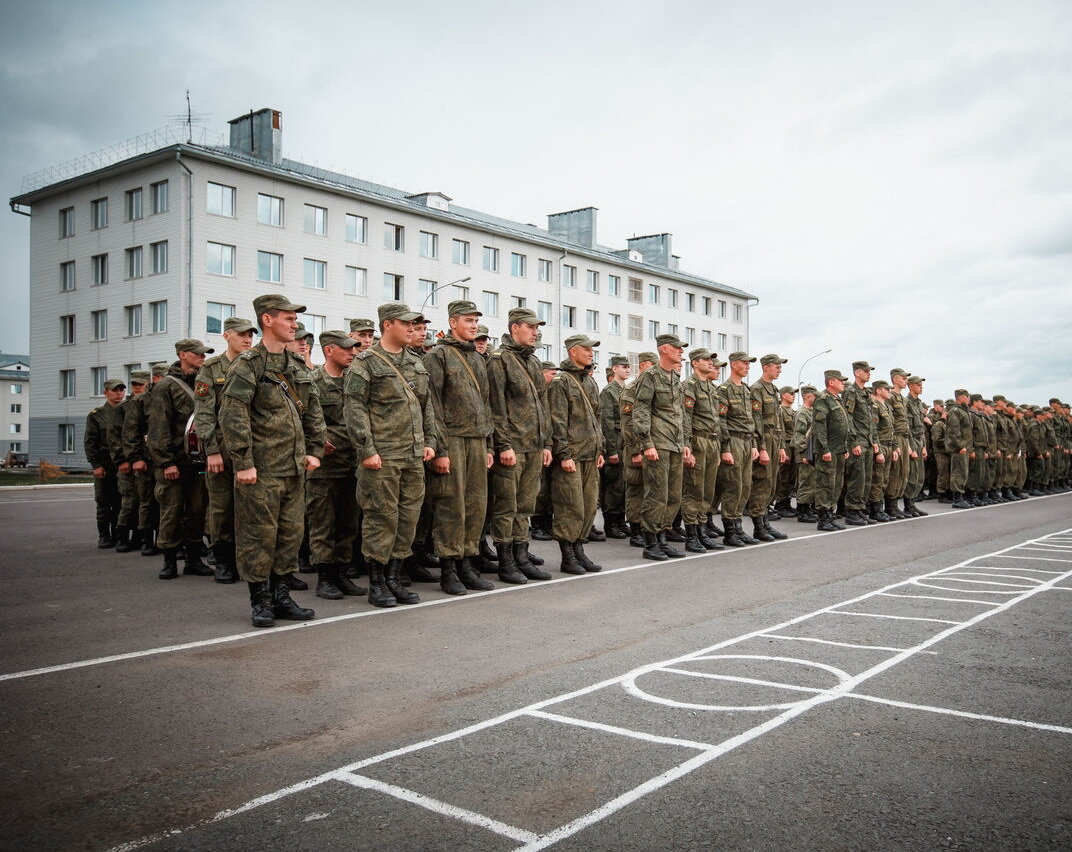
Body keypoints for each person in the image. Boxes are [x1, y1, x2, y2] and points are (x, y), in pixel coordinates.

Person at [219, 294, 325, 627]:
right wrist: (243, 462)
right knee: (258, 535)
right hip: (261, 468)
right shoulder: (249, 364)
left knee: (290, 534)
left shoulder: (295, 365)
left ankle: (281, 595)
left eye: (295, 320)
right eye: (289, 319)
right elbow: (233, 414)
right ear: (268, 320)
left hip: (294, 468)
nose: (295, 324)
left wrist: (314, 450)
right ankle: (260, 600)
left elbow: (313, 411)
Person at [344, 302, 438, 607]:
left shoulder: (415, 362)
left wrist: (431, 440)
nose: (412, 329)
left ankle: (395, 578)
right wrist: (366, 449)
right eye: (406, 324)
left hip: (412, 456)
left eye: (414, 325)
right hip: (381, 458)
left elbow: (427, 406)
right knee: (381, 519)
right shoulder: (366, 362)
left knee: (408, 519)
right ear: (388, 325)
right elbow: (354, 409)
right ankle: (377, 582)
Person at [425, 300, 507, 591]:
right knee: (451, 505)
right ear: (452, 323)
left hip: (476, 441)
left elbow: (486, 405)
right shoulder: (439, 356)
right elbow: (432, 404)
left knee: (475, 506)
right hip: (452, 440)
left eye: (475, 321)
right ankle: (449, 568)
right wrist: (441, 450)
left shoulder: (477, 358)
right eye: (468, 320)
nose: (473, 325)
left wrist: (488, 445)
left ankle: (467, 564)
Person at [487, 307, 554, 582]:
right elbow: (496, 407)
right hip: (513, 446)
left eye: (537, 327)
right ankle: (506, 562)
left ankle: (521, 556)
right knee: (506, 506)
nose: (536, 332)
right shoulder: (499, 360)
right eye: (531, 327)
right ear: (515, 327)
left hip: (534, 446)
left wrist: (547, 442)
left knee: (525, 506)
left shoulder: (533, 361)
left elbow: (543, 404)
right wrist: (503, 445)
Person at [302, 330, 366, 600]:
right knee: (323, 525)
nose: (352, 353)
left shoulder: (355, 380)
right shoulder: (312, 381)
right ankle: (325, 577)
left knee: (348, 524)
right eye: (347, 349)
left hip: (352, 466)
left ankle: (342, 572)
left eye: (354, 349)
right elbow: (299, 419)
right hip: (324, 469)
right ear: (329, 351)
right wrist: (316, 440)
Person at [193, 316, 256, 584]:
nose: (247, 339)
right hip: (222, 447)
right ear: (226, 336)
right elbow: (203, 412)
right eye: (241, 334)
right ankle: (224, 560)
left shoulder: (256, 364)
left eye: (250, 334)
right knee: (221, 506)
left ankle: (248, 560)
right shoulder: (211, 368)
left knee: (252, 506)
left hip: (252, 447)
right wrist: (212, 450)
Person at [148, 340, 214, 579]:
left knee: (197, 510)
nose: (202, 358)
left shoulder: (202, 382)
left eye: (204, 354)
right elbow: (158, 426)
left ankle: (194, 559)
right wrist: (165, 462)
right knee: (171, 510)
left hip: (196, 461)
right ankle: (169, 561)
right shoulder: (166, 385)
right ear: (183, 355)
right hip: (173, 460)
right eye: (198, 354)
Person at [548, 334, 605, 574]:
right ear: (573, 352)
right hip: (571, 454)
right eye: (586, 349)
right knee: (569, 506)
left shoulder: (590, 382)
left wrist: (600, 448)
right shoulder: (562, 382)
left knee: (588, 506)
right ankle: (567, 556)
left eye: (592, 350)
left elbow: (597, 419)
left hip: (590, 454)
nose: (591, 353)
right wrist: (564, 454)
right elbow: (557, 420)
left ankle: (580, 549)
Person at [632, 333, 691, 560]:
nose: (681, 352)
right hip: (658, 443)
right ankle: (650, 542)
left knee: (673, 496)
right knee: (656, 494)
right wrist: (646, 444)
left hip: (675, 444)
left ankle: (663, 538)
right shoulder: (650, 376)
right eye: (677, 348)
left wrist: (684, 442)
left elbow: (680, 413)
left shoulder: (674, 378)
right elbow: (641, 411)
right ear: (664, 349)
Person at [681, 349, 728, 552]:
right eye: (707, 360)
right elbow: (685, 418)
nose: (711, 363)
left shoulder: (711, 388)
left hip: (712, 443)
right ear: (694, 363)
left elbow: (717, 420)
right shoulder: (689, 386)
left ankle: (702, 531)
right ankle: (692, 535)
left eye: (712, 360)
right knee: (694, 490)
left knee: (707, 491)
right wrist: (687, 447)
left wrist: (719, 448)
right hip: (698, 442)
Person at [714, 352, 761, 547]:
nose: (748, 366)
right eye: (745, 363)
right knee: (733, 486)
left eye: (749, 364)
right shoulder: (724, 390)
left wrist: (754, 445)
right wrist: (725, 448)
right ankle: (730, 530)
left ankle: (738, 526)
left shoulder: (746, 390)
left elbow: (752, 420)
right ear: (734, 365)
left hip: (746, 441)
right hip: (732, 441)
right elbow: (721, 421)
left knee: (745, 486)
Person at [123, 363, 167, 555]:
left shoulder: (166, 397)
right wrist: (136, 458)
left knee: (167, 502)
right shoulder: (141, 401)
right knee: (147, 501)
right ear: (155, 379)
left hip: (165, 458)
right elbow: (130, 432)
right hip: (146, 460)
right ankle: (147, 540)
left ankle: (166, 540)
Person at [746, 354, 789, 542]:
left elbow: (778, 420)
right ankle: (758, 527)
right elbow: (756, 421)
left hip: (774, 441)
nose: (779, 370)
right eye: (776, 367)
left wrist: (780, 446)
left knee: (771, 484)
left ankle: (765, 523)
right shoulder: (756, 389)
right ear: (765, 367)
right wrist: (761, 447)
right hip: (764, 440)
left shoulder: (773, 389)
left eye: (780, 367)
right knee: (761, 483)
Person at [620, 352, 657, 547]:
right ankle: (635, 529)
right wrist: (635, 450)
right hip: (636, 447)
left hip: (651, 446)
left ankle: (648, 527)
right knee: (636, 489)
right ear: (643, 366)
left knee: (650, 489)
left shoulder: (652, 386)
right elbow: (628, 423)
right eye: (652, 366)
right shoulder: (632, 389)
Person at [85, 378, 125, 547]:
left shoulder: (128, 412)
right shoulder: (97, 415)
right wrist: (96, 465)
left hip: (122, 464)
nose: (119, 393)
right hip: (105, 463)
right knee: (103, 502)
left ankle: (118, 535)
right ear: (106, 392)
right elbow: (90, 442)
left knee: (120, 502)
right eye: (115, 390)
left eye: (121, 390)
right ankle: (104, 535)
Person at [111, 372, 149, 552]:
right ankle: (122, 536)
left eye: (140, 384)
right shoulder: (122, 408)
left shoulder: (149, 404)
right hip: (128, 462)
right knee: (129, 501)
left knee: (145, 501)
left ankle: (140, 537)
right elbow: (115, 437)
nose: (137, 387)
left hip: (145, 461)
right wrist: (121, 460)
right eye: (134, 384)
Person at [812, 370, 851, 531]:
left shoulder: (837, 400)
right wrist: (824, 449)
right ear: (831, 382)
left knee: (837, 484)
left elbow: (844, 426)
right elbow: (819, 426)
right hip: (828, 450)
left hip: (839, 449)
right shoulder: (823, 399)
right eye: (840, 380)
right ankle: (823, 518)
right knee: (826, 483)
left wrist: (845, 447)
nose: (843, 383)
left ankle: (830, 514)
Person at [599, 355, 631, 539]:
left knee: (623, 485)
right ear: (614, 369)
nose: (627, 370)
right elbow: (607, 423)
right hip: (615, 441)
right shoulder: (609, 392)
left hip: (625, 442)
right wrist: (611, 451)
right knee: (613, 486)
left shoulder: (626, 390)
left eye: (628, 367)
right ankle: (610, 523)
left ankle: (620, 520)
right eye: (623, 367)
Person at [842, 360, 878, 526]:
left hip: (868, 441)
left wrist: (875, 440)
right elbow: (848, 418)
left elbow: (871, 420)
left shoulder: (866, 393)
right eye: (865, 370)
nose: (868, 373)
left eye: (869, 370)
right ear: (857, 373)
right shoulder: (851, 392)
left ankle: (861, 509)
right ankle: (852, 511)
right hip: (858, 442)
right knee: (857, 478)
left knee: (867, 478)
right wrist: (854, 441)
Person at [884, 368, 911, 519]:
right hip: (896, 437)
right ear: (895, 379)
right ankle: (890, 505)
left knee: (904, 472)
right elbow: (890, 421)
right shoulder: (891, 397)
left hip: (905, 438)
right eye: (903, 378)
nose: (905, 381)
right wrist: (894, 442)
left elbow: (906, 422)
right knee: (895, 472)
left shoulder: (903, 399)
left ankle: (896, 504)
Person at [867, 380, 894, 522]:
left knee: (884, 479)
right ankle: (875, 510)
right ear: (878, 391)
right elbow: (873, 429)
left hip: (888, 445)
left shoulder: (887, 407)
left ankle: (880, 507)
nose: (889, 391)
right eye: (886, 389)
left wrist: (894, 447)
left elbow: (892, 429)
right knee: (877, 479)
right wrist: (878, 450)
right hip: (881, 446)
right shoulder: (874, 406)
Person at [791, 385, 819, 523]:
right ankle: (802, 510)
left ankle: (808, 508)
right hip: (804, 452)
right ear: (808, 396)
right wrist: (803, 453)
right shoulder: (802, 413)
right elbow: (799, 434)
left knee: (812, 481)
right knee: (805, 482)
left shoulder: (812, 412)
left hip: (811, 451)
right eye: (815, 396)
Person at [904, 376, 929, 516]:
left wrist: (924, 446)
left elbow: (921, 428)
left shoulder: (919, 403)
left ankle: (912, 503)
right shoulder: (906, 403)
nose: (921, 387)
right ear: (910, 386)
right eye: (918, 385)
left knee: (919, 476)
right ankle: (908, 505)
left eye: (921, 384)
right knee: (912, 475)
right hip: (912, 442)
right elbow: (906, 428)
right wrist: (911, 447)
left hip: (920, 442)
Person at [945, 389, 973, 508]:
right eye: (967, 396)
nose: (969, 399)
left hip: (965, 447)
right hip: (959, 448)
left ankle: (961, 497)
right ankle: (957, 499)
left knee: (963, 472)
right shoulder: (955, 411)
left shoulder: (964, 411)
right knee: (958, 473)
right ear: (961, 397)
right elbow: (954, 431)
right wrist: (960, 445)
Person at [773, 386, 798, 517]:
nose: (794, 396)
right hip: (785, 445)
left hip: (793, 446)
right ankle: (780, 502)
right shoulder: (780, 411)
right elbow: (781, 431)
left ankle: (787, 502)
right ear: (783, 395)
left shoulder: (793, 412)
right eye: (791, 393)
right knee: (783, 476)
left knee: (791, 477)